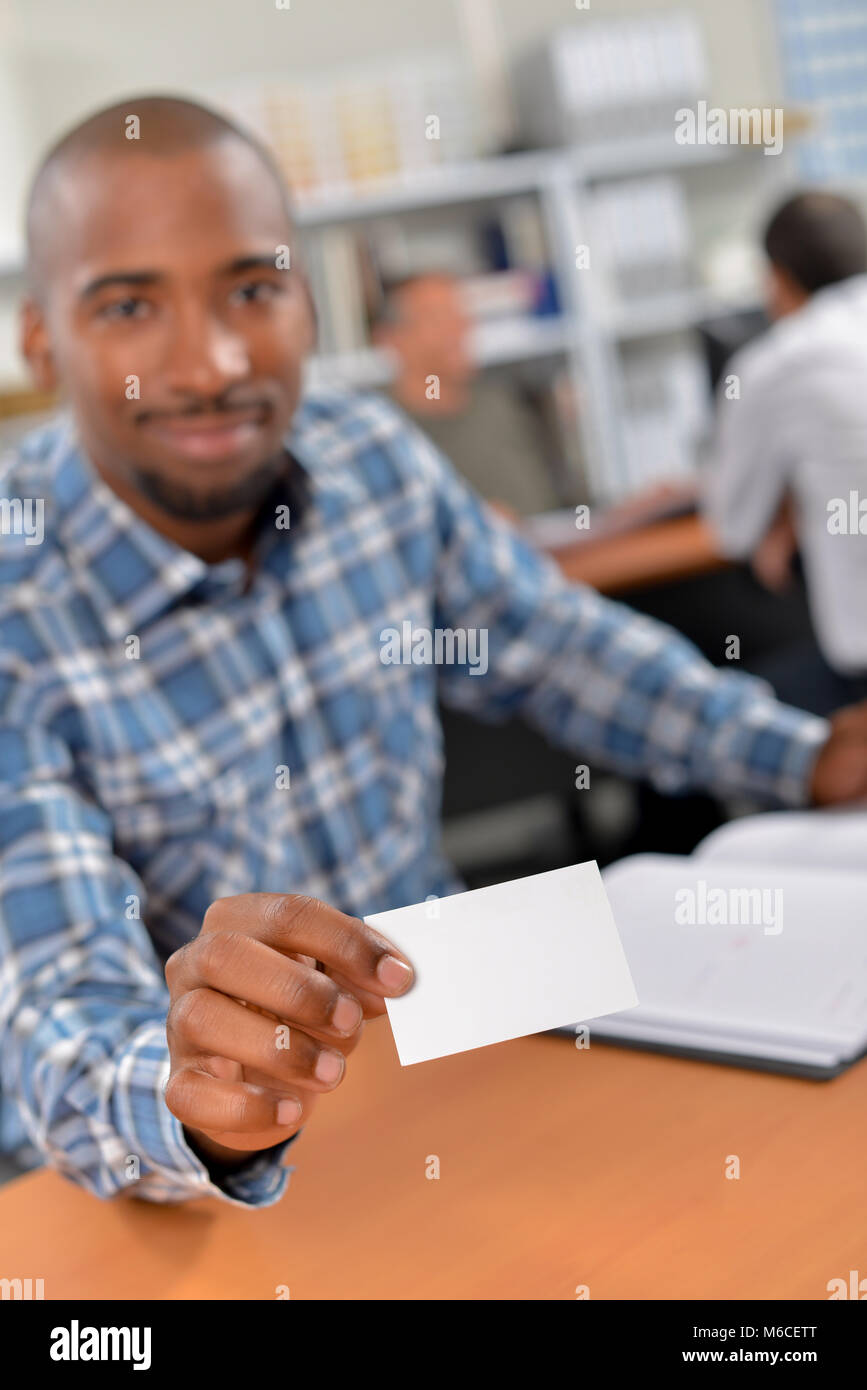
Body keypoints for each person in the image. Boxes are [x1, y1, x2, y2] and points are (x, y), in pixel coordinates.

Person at [2, 98, 867, 1208]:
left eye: (253, 290)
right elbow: (57, 1009)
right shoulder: (17, 607)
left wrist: (802, 757)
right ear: (41, 337)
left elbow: (560, 649)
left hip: (451, 1027)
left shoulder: (367, 457)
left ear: (308, 299)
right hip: (184, 1174)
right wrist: (192, 1095)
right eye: (128, 305)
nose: (212, 361)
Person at [702, 191, 867, 715]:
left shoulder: (776, 363)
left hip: (860, 677)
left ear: (776, 278)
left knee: (699, 714)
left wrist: (793, 504)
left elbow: (732, 531)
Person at [372, 272, 565, 515]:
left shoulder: (499, 406)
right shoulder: (379, 430)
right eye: (438, 318)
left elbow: (554, 508)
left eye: (460, 314)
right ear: (389, 338)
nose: (459, 328)